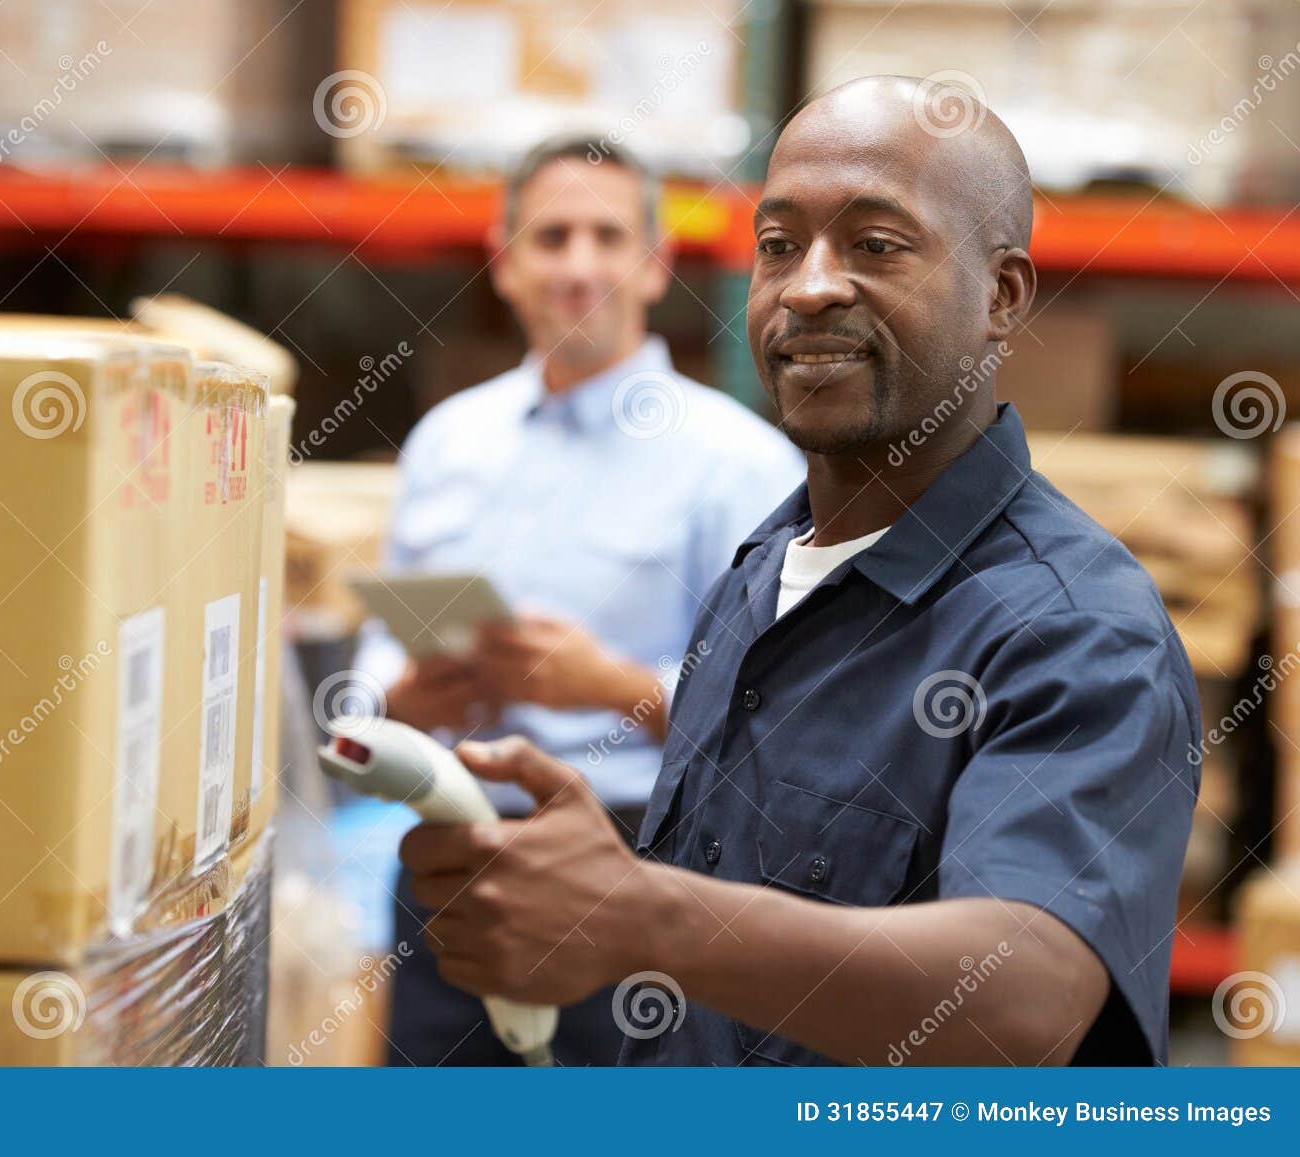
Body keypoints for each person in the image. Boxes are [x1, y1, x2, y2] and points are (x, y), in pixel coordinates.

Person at [396, 76, 1200, 1066]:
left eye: (877, 244)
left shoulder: (1075, 629)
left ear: (1000, 296)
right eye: (778, 245)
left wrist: (642, 912)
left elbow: (1024, 1000)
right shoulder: (757, 578)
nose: (809, 286)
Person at [354, 134, 805, 1066]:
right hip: (450, 857)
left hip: (636, 875)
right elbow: (375, 663)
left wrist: (611, 687)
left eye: (608, 237)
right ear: (504, 260)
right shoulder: (447, 443)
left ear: (657, 262)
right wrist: (399, 702)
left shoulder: (738, 463)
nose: (579, 266)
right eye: (552, 237)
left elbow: (785, 715)